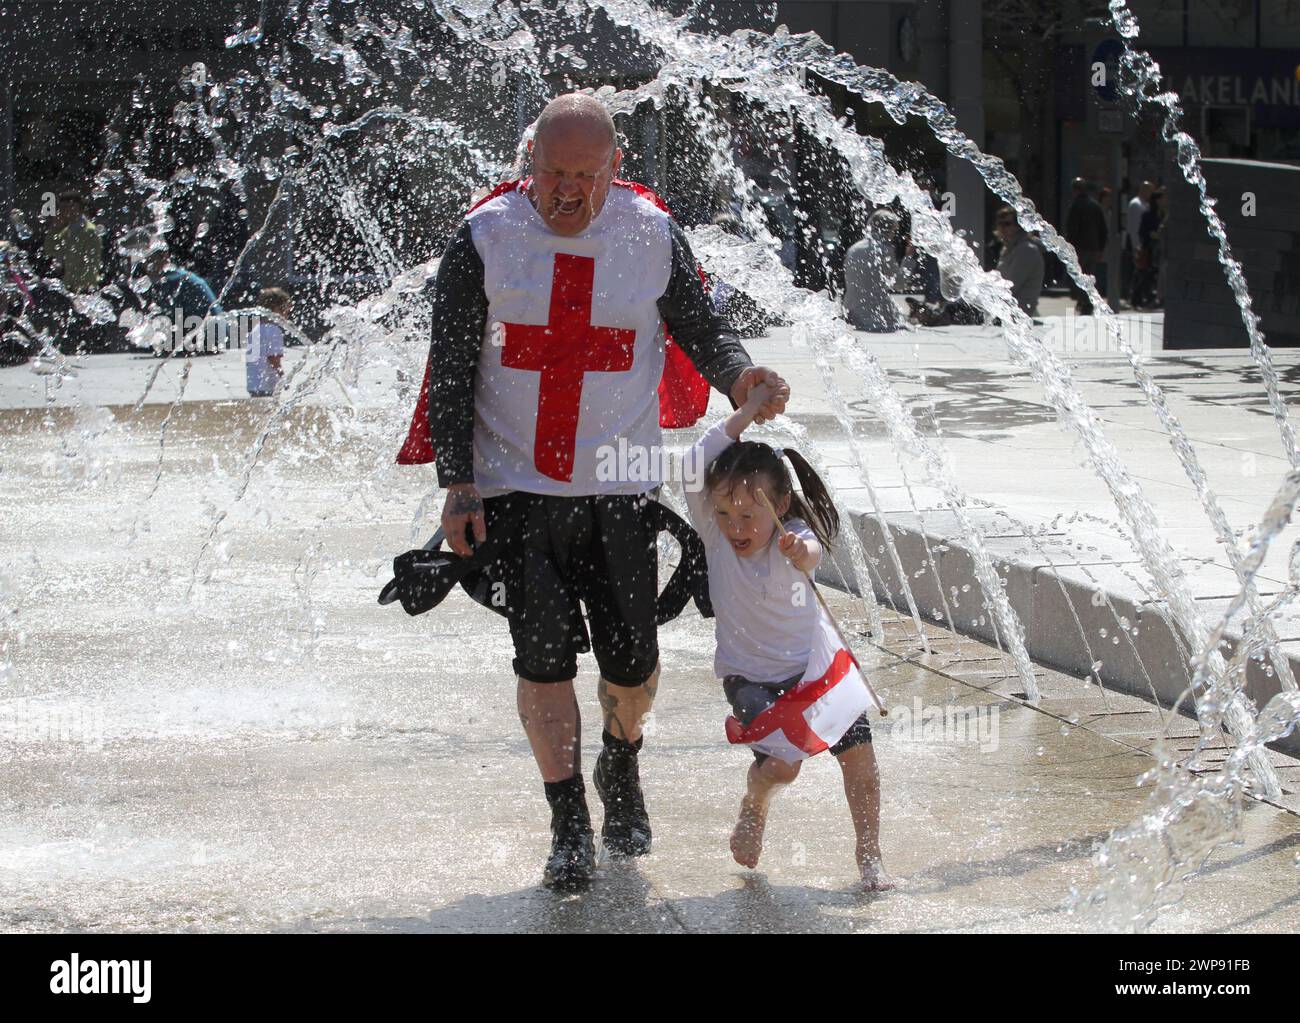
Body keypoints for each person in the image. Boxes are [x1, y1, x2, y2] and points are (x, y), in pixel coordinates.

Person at [396, 93, 790, 891]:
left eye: (586, 174)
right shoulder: (484, 237)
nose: (568, 192)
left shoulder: (649, 232)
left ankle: (621, 760)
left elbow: (700, 324)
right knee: (542, 658)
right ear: (528, 162)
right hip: (515, 490)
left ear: (617, 167)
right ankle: (568, 816)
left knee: (634, 661)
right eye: (554, 173)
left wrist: (738, 371)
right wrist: (458, 485)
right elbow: (452, 364)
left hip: (620, 489)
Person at [681, 378, 890, 890]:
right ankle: (755, 803)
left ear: (779, 508)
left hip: (815, 667)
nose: (735, 525)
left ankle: (870, 855)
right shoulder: (713, 531)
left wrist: (804, 555)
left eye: (750, 515)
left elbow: (809, 548)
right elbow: (692, 462)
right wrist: (747, 411)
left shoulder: (790, 536)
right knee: (782, 766)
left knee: (860, 760)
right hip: (749, 676)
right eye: (726, 512)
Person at [842, 209, 901, 332]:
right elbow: (899, 284)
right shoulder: (885, 250)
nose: (894, 235)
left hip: (850, 312)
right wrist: (909, 259)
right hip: (875, 317)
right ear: (887, 230)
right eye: (894, 231)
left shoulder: (853, 248)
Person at [40, 191, 102, 294]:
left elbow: (92, 263)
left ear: (78, 208)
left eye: (67, 207)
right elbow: (49, 251)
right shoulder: (67, 231)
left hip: (86, 287)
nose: (63, 211)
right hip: (69, 285)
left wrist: (82, 287)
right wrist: (54, 229)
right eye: (61, 208)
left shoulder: (90, 231)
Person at [1064, 178, 1107, 315]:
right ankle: (1086, 301)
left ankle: (1084, 302)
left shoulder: (1076, 205)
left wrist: (1070, 246)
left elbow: (1072, 228)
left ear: (1075, 190)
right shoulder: (1095, 205)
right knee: (1089, 275)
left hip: (1080, 248)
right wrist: (1100, 247)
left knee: (1079, 275)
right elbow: (1103, 228)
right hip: (1093, 247)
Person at [993, 207, 1044, 318]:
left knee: (956, 311)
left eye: (1007, 224)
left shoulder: (1026, 250)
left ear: (1018, 226)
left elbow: (1010, 286)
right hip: (1004, 307)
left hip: (1017, 312)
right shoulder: (1008, 249)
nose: (1001, 227)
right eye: (999, 223)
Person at [246, 287, 291, 397]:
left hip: (253, 385)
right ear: (275, 309)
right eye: (285, 310)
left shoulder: (256, 329)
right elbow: (274, 359)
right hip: (267, 385)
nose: (286, 314)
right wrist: (283, 377)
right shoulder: (273, 330)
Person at [1134, 188, 1165, 310]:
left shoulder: (1163, 215)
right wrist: (1151, 235)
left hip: (1160, 249)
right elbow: (1142, 231)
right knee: (1144, 274)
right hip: (1149, 249)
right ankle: (1138, 299)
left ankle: (1150, 299)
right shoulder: (1147, 214)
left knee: (1155, 276)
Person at [1125, 181, 1154, 308]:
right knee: (1138, 272)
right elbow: (1133, 226)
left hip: (1142, 243)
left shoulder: (1144, 204)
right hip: (1137, 243)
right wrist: (1136, 244)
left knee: (1141, 271)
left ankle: (1138, 296)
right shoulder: (1136, 204)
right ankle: (1134, 297)